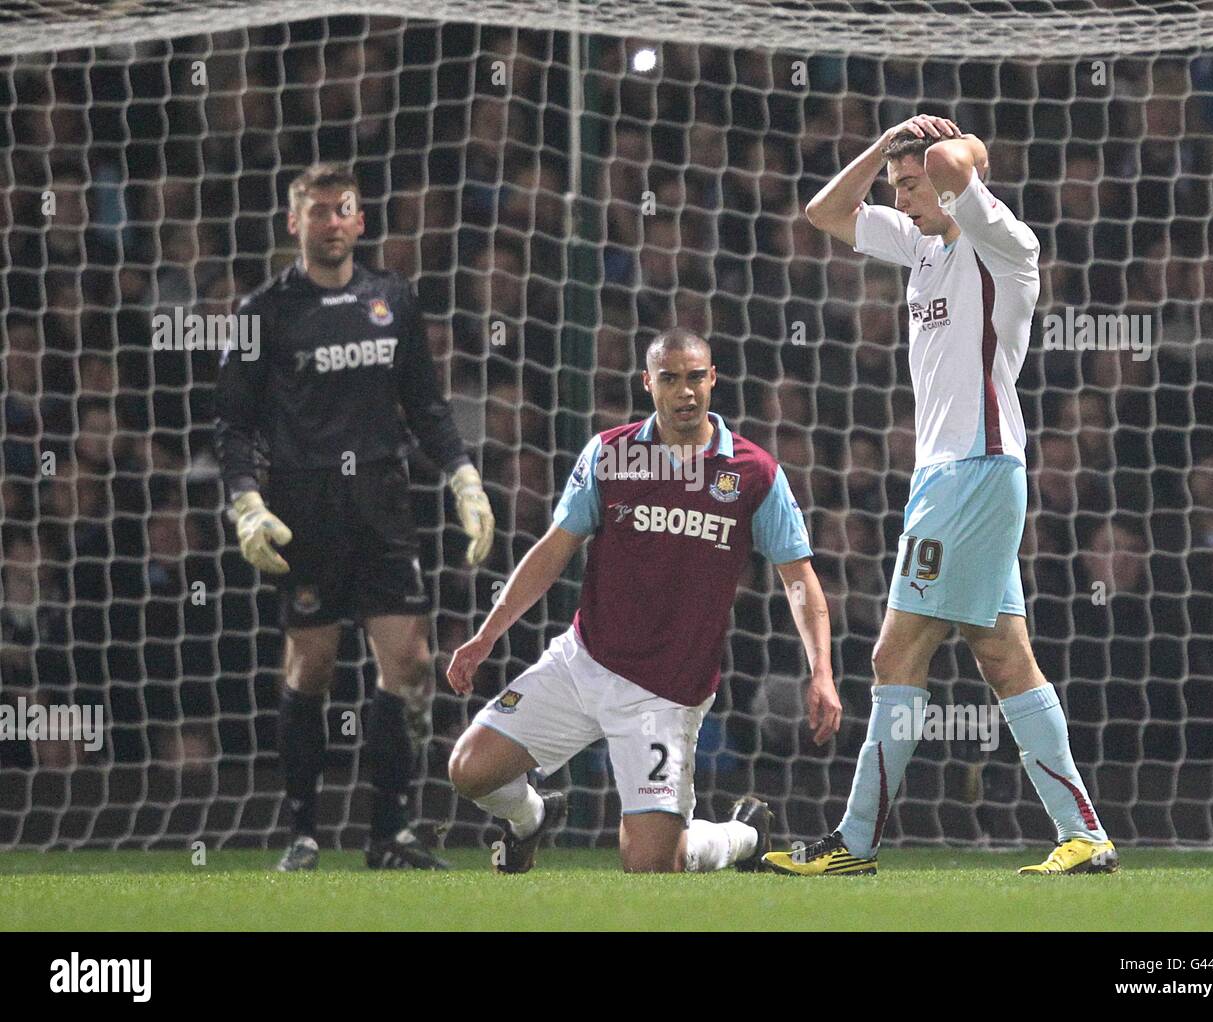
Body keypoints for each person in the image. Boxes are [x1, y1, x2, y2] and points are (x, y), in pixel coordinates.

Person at [765, 115, 1116, 876]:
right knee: (1003, 658)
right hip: (954, 475)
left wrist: (938, 147)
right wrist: (886, 143)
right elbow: (823, 212)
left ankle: (854, 844)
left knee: (895, 654)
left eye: (912, 182)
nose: (902, 195)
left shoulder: (1000, 241)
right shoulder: (919, 244)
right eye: (896, 185)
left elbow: (961, 164)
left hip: (973, 470)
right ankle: (1084, 834)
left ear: (952, 182)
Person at [445, 328, 842, 873]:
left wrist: (820, 669)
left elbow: (799, 579)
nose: (686, 392)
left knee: (654, 866)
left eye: (696, 378)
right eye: (671, 379)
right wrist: (486, 635)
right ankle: (530, 818)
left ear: (713, 380)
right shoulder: (609, 455)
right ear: (648, 383)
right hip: (583, 662)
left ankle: (741, 835)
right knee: (469, 769)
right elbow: (553, 550)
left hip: (665, 694)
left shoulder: (754, 473)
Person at [214, 162, 495, 871]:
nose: (332, 222)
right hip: (305, 505)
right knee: (311, 667)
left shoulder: (392, 300)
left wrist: (464, 478)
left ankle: (390, 834)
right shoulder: (262, 311)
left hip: (381, 499)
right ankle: (302, 832)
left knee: (409, 662)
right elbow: (232, 424)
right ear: (294, 222)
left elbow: (426, 407)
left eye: (343, 210)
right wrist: (246, 502)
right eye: (318, 211)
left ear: (360, 221)